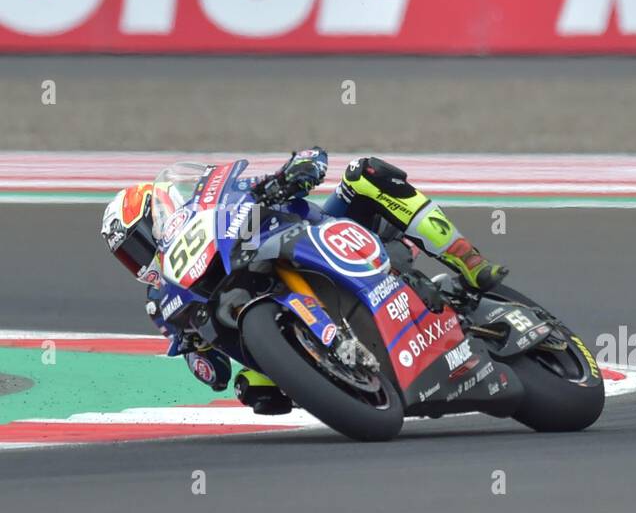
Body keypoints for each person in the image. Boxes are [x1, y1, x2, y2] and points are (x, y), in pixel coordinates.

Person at [99, 148, 507, 411]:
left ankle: (466, 260)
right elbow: (212, 372)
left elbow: (308, 160)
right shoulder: (165, 297)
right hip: (271, 310)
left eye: (139, 242)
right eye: (127, 256)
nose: (138, 258)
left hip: (322, 234)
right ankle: (333, 372)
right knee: (252, 387)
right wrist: (197, 349)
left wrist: (295, 172)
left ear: (161, 212)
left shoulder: (212, 204)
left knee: (363, 173)